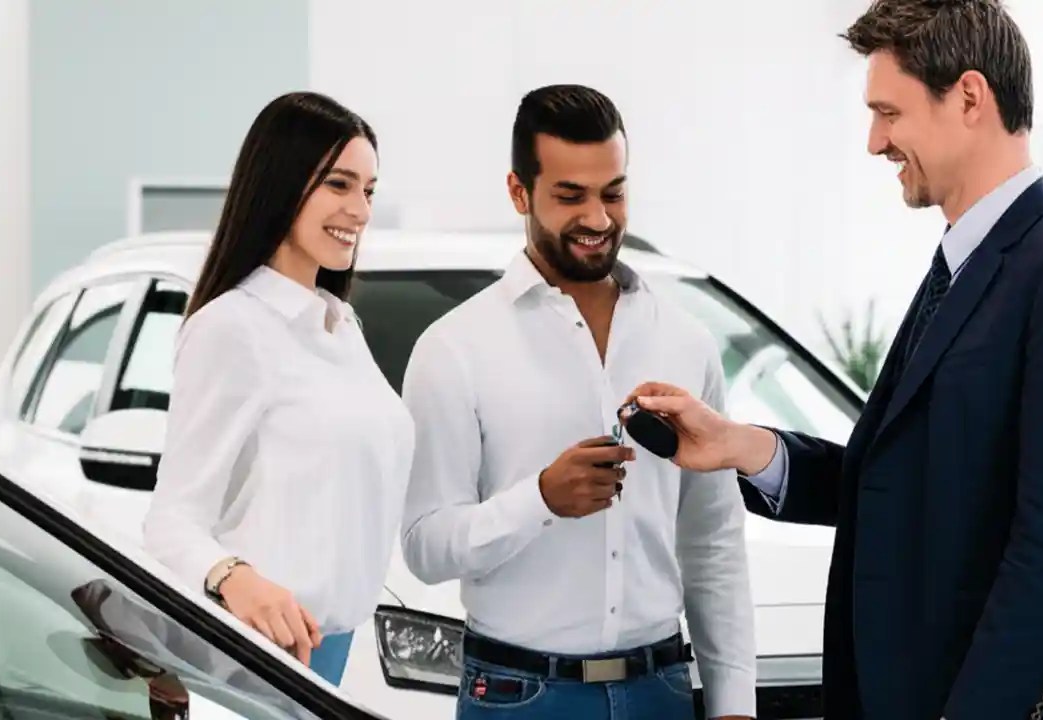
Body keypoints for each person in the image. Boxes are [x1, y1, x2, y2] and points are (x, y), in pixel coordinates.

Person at [624, 1, 1043, 718]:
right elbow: (907, 485)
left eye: (888, 113)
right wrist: (737, 446)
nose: (875, 142)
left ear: (969, 97)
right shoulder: (962, 269)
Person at [398, 84, 756, 719]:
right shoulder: (453, 349)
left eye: (612, 193)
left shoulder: (686, 341)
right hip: (518, 698)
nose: (598, 218)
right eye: (570, 197)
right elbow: (426, 547)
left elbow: (713, 541)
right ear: (519, 193)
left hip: (662, 692)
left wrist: (733, 705)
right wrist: (539, 499)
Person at [143, 91, 414, 687]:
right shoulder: (232, 327)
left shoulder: (340, 326)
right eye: (339, 185)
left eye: (369, 191)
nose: (360, 210)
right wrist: (234, 577)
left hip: (348, 654)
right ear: (282, 184)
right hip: (256, 657)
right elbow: (170, 521)